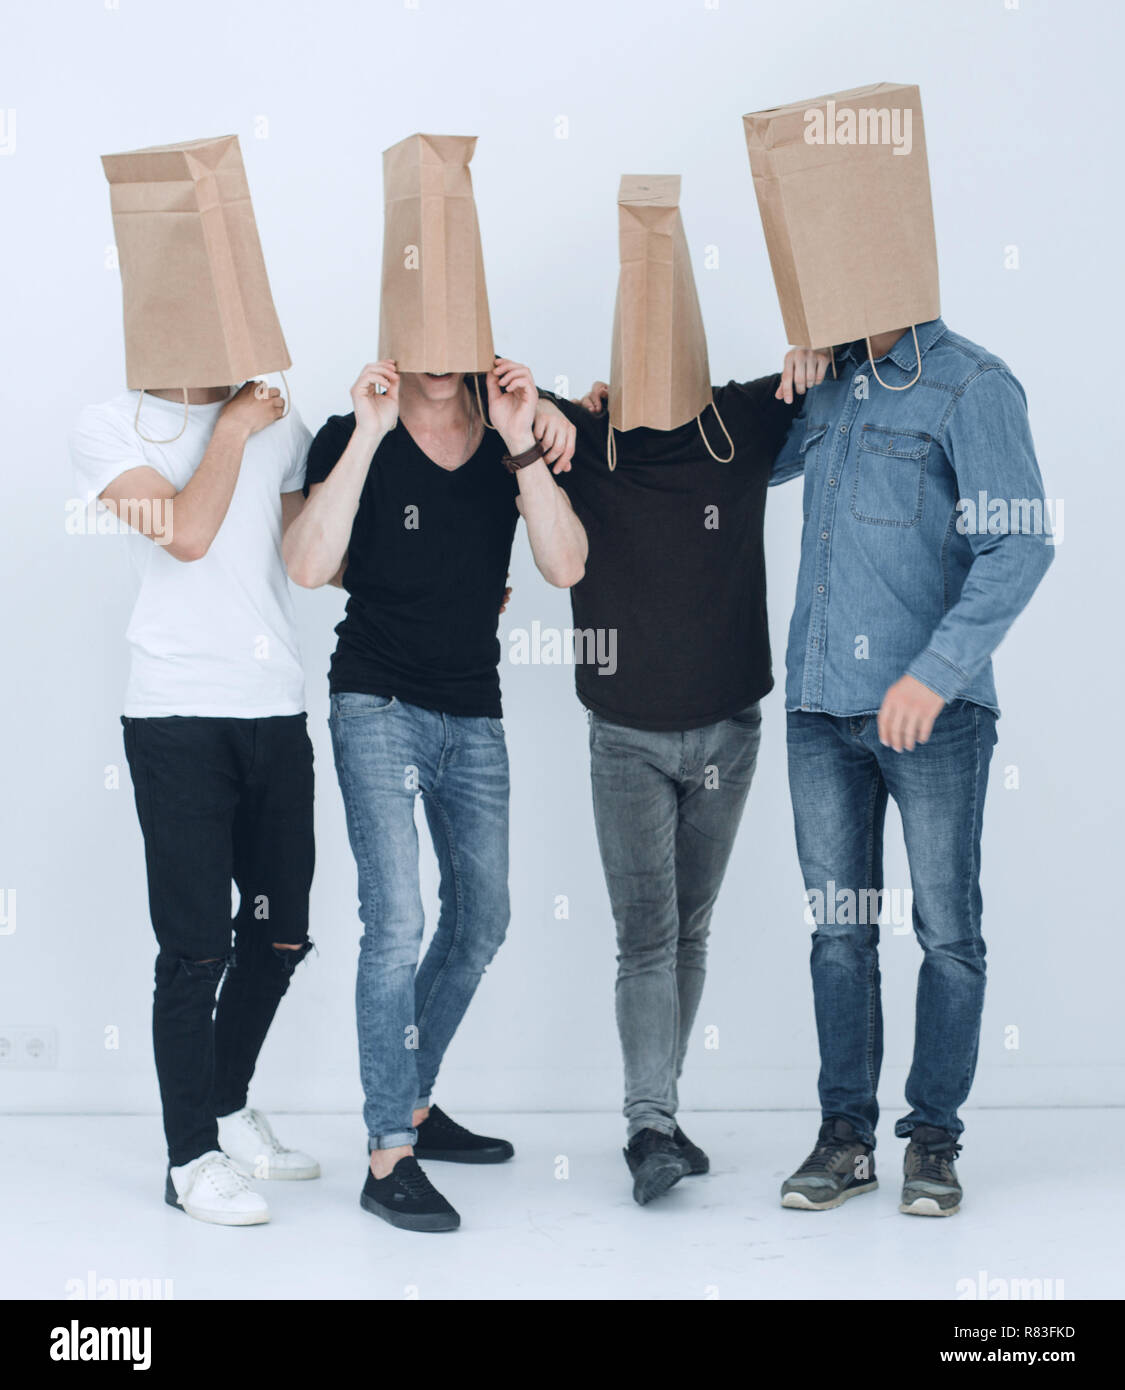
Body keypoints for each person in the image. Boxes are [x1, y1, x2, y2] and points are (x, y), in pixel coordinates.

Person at [284, 356, 586, 1232]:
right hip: (375, 701)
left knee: (482, 917)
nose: (444, 357)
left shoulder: (508, 441)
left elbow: (565, 568)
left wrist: (526, 439)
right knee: (397, 920)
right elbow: (307, 566)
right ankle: (389, 1153)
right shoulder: (352, 437)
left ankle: (411, 1101)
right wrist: (371, 434)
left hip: (472, 711)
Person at [770, 319, 1055, 1217]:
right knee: (839, 935)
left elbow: (1021, 541)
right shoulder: (826, 379)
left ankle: (932, 1140)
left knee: (945, 933)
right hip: (819, 708)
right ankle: (844, 1140)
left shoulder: (973, 385)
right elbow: (742, 466)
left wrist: (934, 674)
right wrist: (782, 386)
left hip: (932, 717)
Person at [533, 343, 828, 1206]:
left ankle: (659, 1118)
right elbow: (476, 374)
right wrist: (541, 408)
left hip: (729, 730)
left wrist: (817, 350)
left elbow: (846, 367)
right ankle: (646, 1125)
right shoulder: (582, 435)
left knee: (688, 931)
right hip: (625, 736)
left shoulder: (741, 419)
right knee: (647, 937)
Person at [70, 379, 320, 1226]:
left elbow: (302, 556)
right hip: (175, 716)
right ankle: (189, 1160)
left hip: (275, 706)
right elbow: (184, 532)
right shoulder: (109, 423)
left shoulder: (287, 409)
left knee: (281, 933)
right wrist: (236, 429)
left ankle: (225, 1106)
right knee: (194, 951)